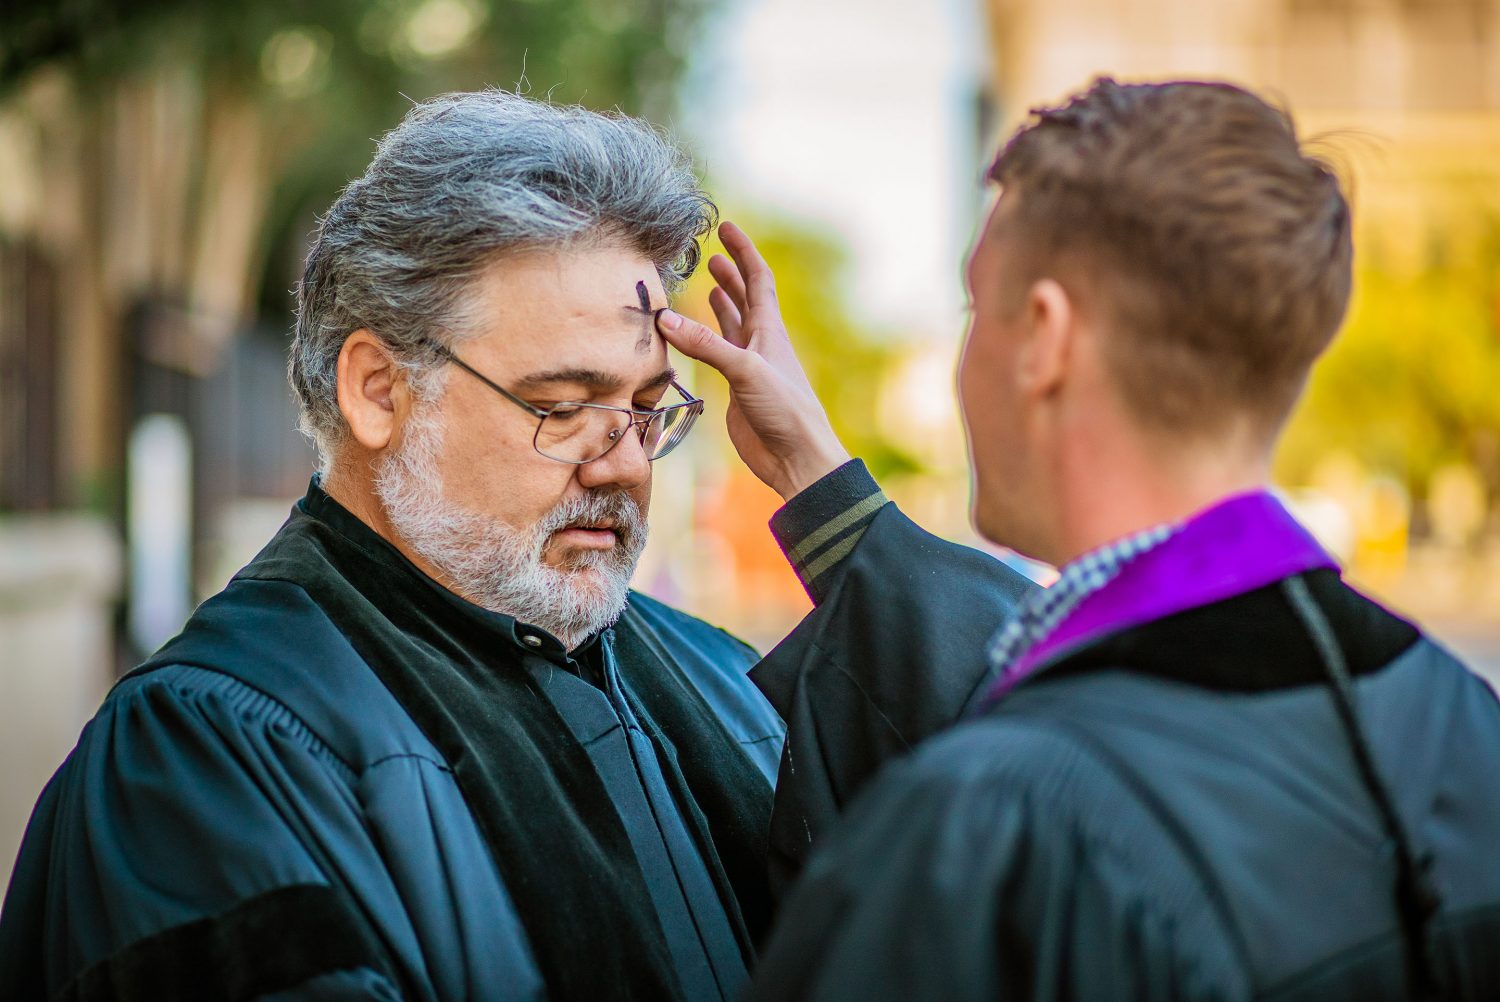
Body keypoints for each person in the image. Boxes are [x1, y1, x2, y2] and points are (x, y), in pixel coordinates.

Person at [656, 78, 1500, 999]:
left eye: (976, 306)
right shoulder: (1460, 719)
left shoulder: (996, 831)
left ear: (1045, 340)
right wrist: (814, 477)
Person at [0, 90, 805, 1002]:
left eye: (649, 411)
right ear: (378, 390)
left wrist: (833, 507)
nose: (622, 463)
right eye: (563, 408)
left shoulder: (726, 682)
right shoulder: (205, 753)